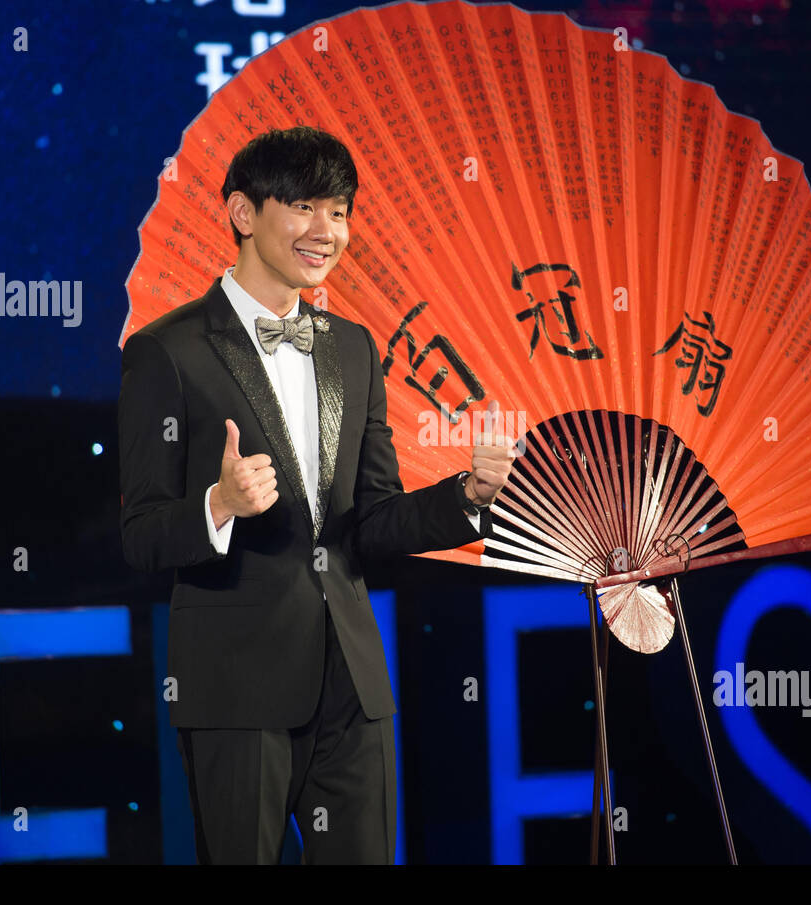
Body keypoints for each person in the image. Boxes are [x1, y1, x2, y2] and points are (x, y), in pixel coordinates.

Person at [117, 125, 515, 864]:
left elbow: (372, 522)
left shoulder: (353, 347)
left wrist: (465, 494)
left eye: (339, 211)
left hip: (355, 689)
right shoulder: (166, 351)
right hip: (236, 689)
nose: (326, 231)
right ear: (243, 213)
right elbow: (140, 534)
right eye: (303, 206)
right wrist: (219, 505)